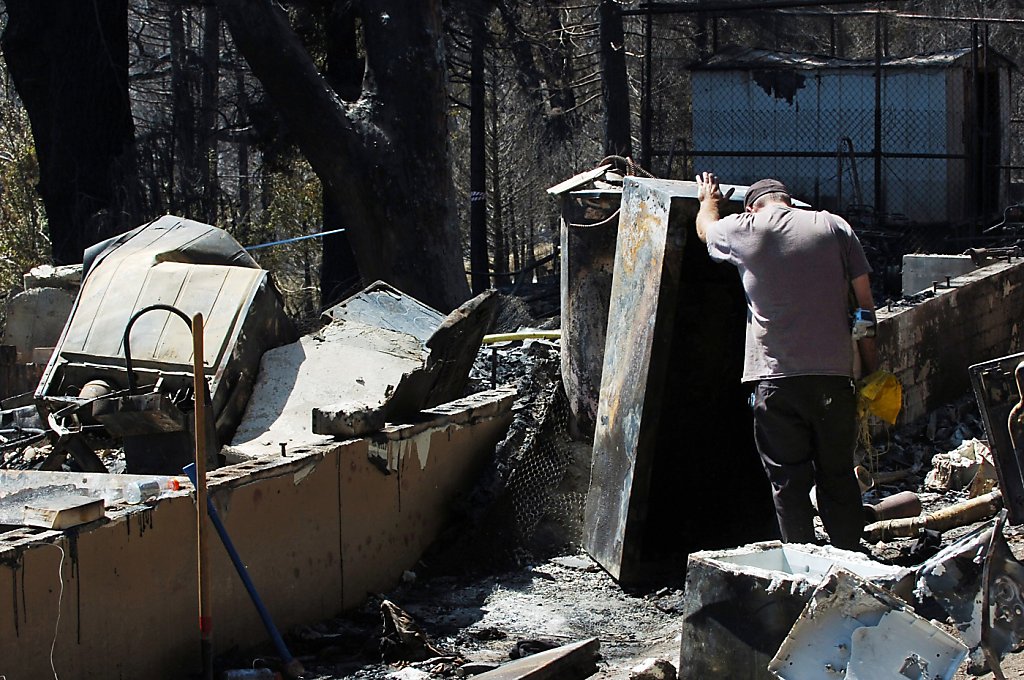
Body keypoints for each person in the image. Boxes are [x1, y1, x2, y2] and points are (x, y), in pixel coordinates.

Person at [693, 172, 878, 550]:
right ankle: (853, 564)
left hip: (777, 381)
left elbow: (705, 231)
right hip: (834, 379)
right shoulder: (834, 226)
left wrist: (707, 201)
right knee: (838, 476)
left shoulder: (745, 229)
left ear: (751, 207)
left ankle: (803, 572)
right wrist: (872, 371)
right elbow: (865, 310)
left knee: (789, 483)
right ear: (788, 200)